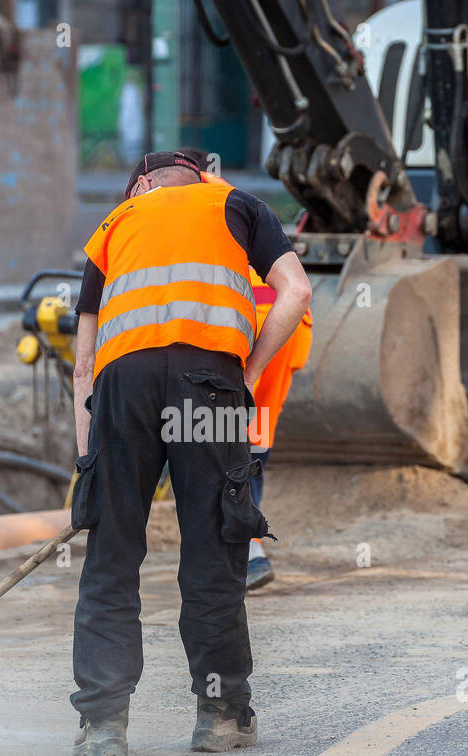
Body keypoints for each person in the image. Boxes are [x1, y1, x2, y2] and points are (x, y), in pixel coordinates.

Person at [68, 151, 312, 756]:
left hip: (124, 386)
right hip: (211, 384)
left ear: (144, 184)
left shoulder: (115, 224)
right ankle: (221, 717)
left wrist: (89, 464)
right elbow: (297, 290)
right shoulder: (238, 205)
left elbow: (82, 362)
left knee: (113, 552)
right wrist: (249, 372)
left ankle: (104, 724)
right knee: (213, 549)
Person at [177, 147, 314, 590]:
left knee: (211, 440)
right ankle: (248, 547)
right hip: (285, 326)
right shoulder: (238, 201)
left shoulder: (179, 203)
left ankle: (243, 550)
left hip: (237, 325)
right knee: (250, 439)